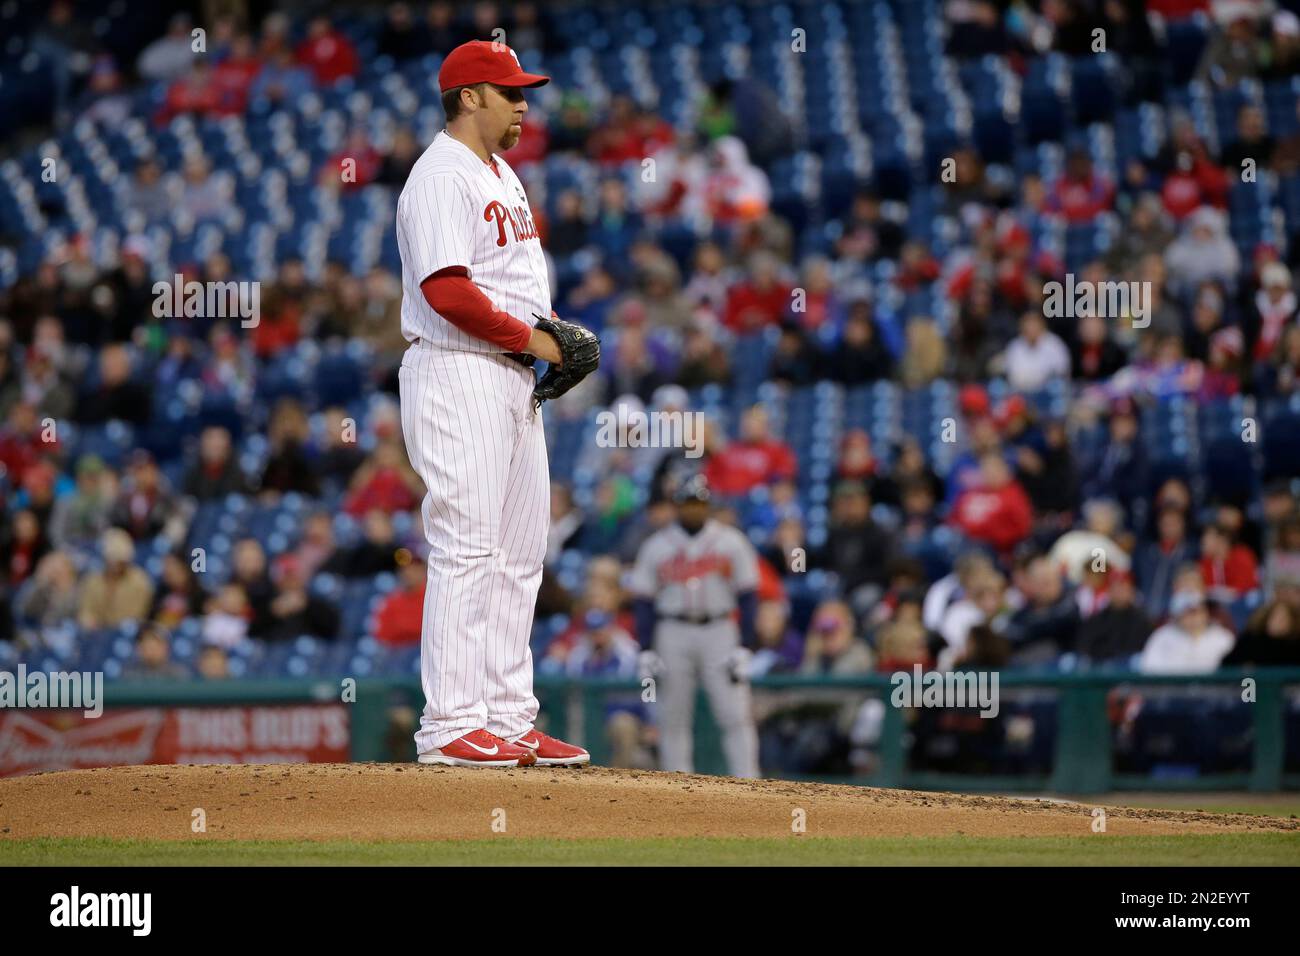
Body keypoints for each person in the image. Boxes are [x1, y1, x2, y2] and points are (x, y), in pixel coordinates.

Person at [395, 41, 598, 768]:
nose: (523, 104)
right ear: (468, 96)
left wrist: (534, 343)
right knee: (470, 546)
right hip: (458, 370)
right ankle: (450, 722)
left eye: (524, 92)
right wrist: (535, 341)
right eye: (509, 92)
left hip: (509, 374)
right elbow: (445, 292)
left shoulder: (501, 173)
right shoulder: (439, 176)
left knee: (518, 555)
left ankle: (508, 716)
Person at [629, 474, 761, 778]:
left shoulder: (730, 541)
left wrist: (746, 645)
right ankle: (680, 787)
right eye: (687, 503)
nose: (693, 509)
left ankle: (750, 783)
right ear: (676, 506)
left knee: (735, 713)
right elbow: (644, 600)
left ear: (708, 504)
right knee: (672, 716)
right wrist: (647, 648)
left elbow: (749, 595)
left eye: (698, 503)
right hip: (672, 630)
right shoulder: (657, 545)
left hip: (719, 629)